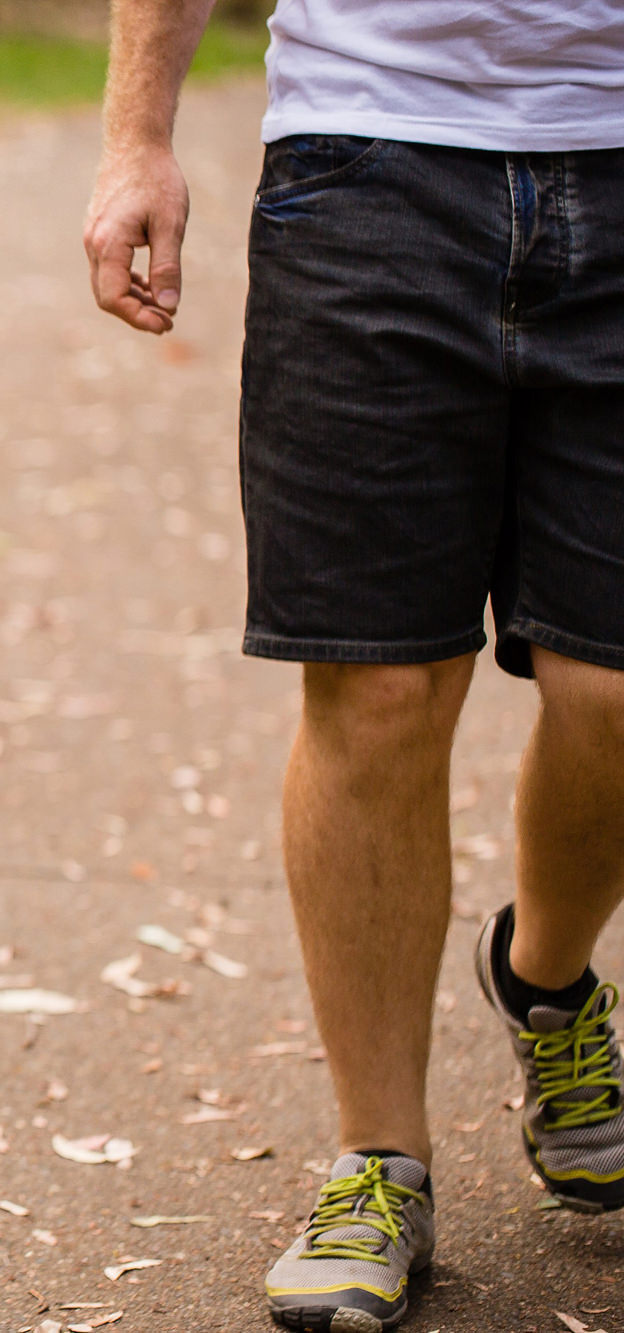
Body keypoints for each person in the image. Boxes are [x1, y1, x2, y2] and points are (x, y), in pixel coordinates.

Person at [85, 2, 624, 1328]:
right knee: (377, 682)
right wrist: (135, 135)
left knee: (613, 687)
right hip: (369, 156)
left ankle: (545, 980)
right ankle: (382, 1158)